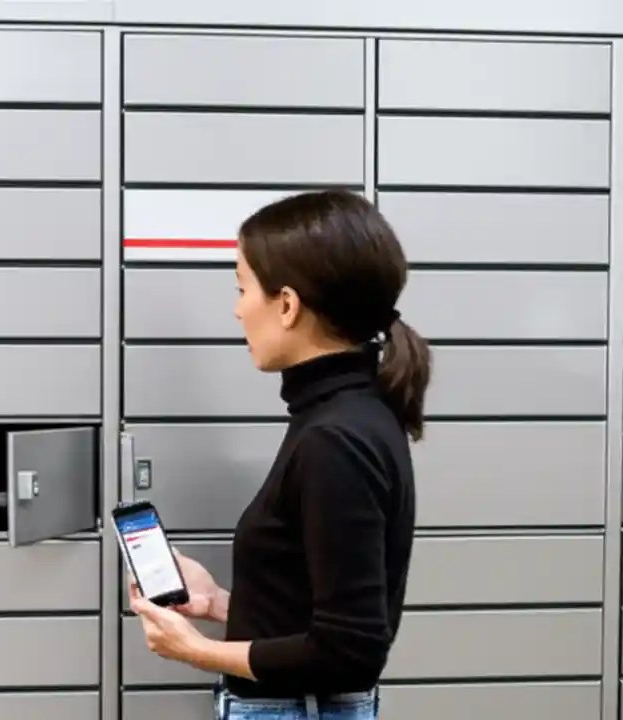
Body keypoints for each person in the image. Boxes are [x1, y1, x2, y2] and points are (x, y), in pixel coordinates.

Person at [128, 190, 431, 720]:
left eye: (243, 288)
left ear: (287, 305)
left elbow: (348, 652)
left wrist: (192, 649)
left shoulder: (335, 438)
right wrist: (221, 605)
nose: (237, 308)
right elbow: (321, 617)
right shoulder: (343, 415)